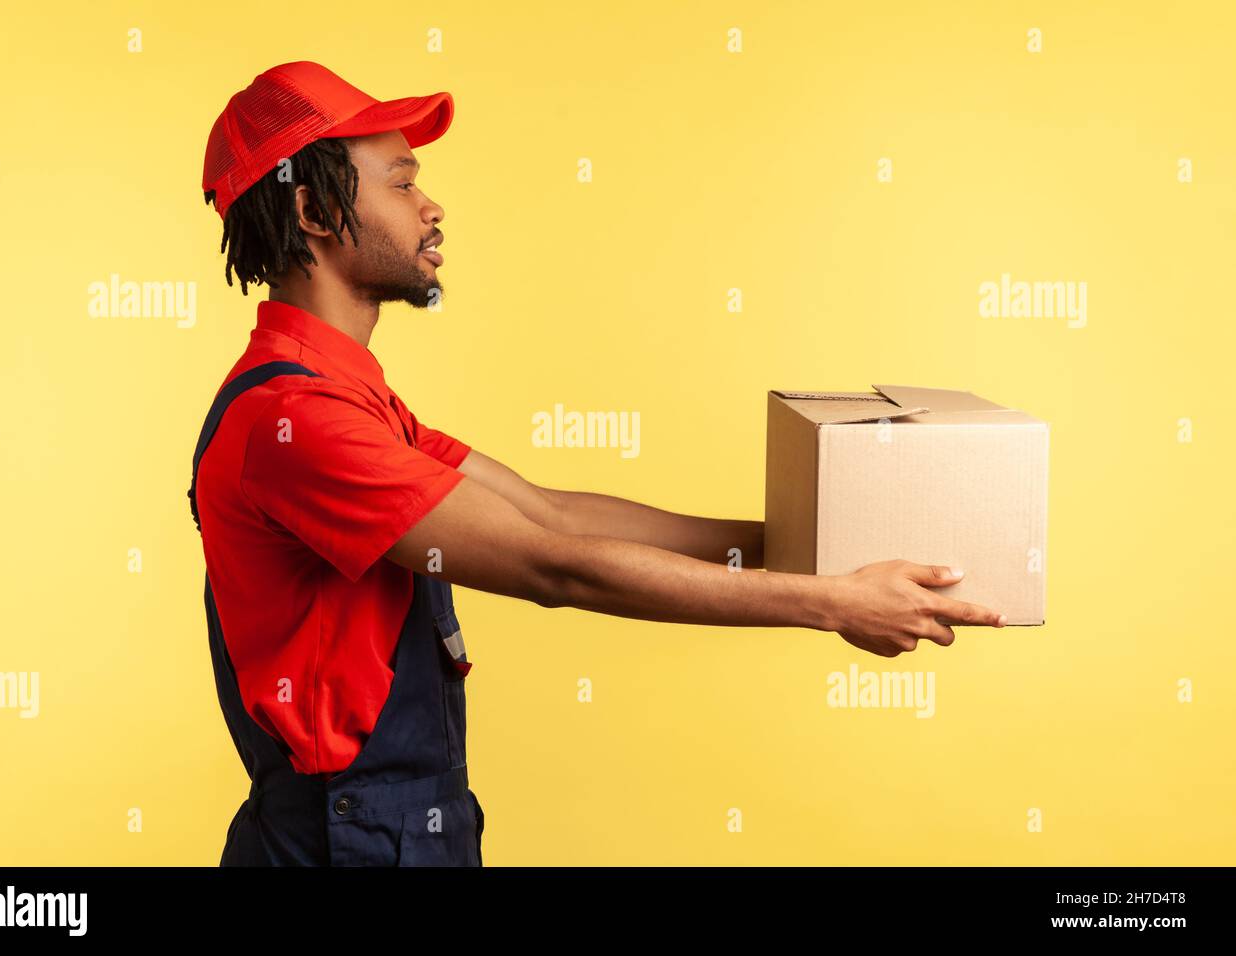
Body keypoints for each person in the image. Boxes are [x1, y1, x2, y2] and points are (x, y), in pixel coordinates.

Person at [189, 60, 1006, 868]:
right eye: (401, 184)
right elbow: (556, 567)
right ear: (314, 210)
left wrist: (813, 539)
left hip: (397, 825)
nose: (432, 208)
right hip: (345, 839)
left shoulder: (347, 397)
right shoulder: (296, 421)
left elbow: (552, 514)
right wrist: (833, 603)